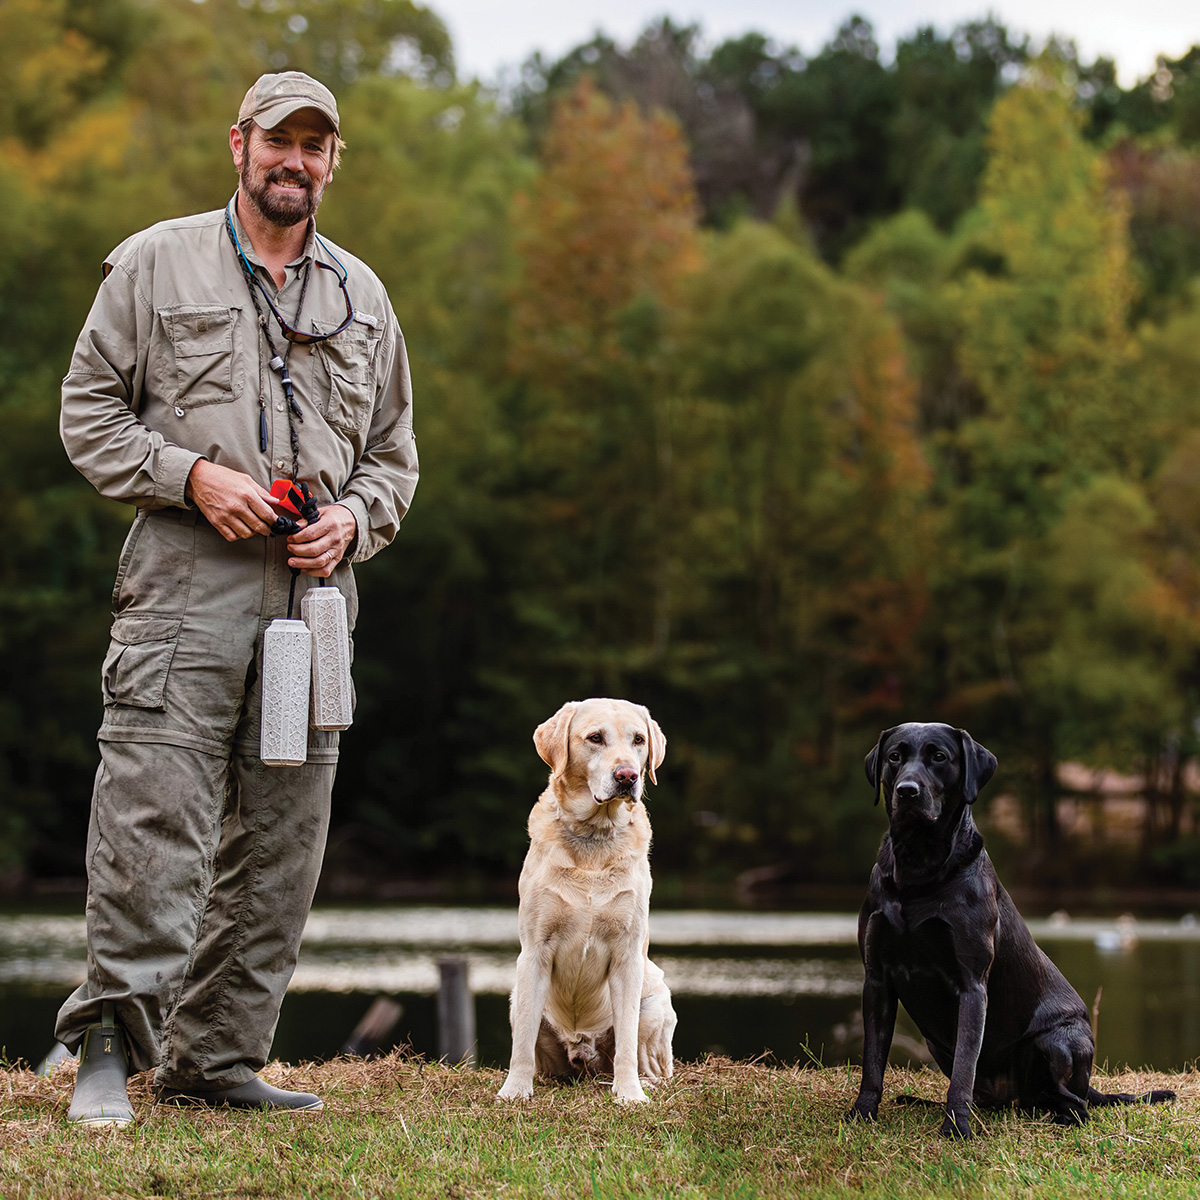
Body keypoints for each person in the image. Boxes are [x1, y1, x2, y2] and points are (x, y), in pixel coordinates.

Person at [54, 71, 418, 1127]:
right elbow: (86, 416)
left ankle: (215, 1059)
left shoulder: (364, 296)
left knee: (283, 843)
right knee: (152, 824)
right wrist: (189, 477)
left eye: (315, 144)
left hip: (315, 611)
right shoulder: (155, 261)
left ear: (333, 160)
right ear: (238, 145)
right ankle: (107, 1057)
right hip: (181, 597)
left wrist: (355, 517)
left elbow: (394, 457)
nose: (294, 159)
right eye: (277, 140)